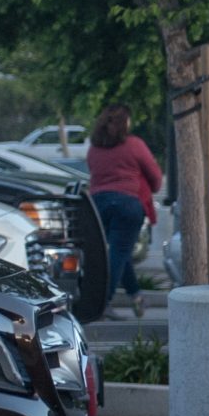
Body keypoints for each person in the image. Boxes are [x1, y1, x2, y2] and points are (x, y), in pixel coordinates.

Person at [84, 103, 161, 321]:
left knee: (120, 251)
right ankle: (102, 304)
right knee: (118, 253)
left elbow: (93, 173)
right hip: (128, 204)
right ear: (124, 123)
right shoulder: (134, 145)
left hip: (98, 205)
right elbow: (155, 178)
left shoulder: (94, 149)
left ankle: (136, 294)